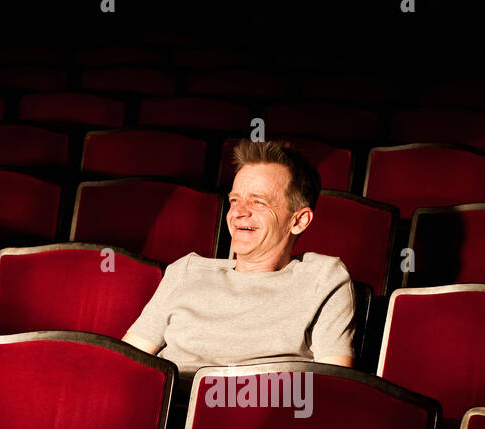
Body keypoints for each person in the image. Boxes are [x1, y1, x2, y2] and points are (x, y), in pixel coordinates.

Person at [121, 139, 356, 389]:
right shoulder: (186, 271)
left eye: (259, 202)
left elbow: (332, 389)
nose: (239, 212)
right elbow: (123, 365)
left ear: (298, 221)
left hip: (263, 415)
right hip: (170, 410)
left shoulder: (324, 278)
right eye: (234, 200)